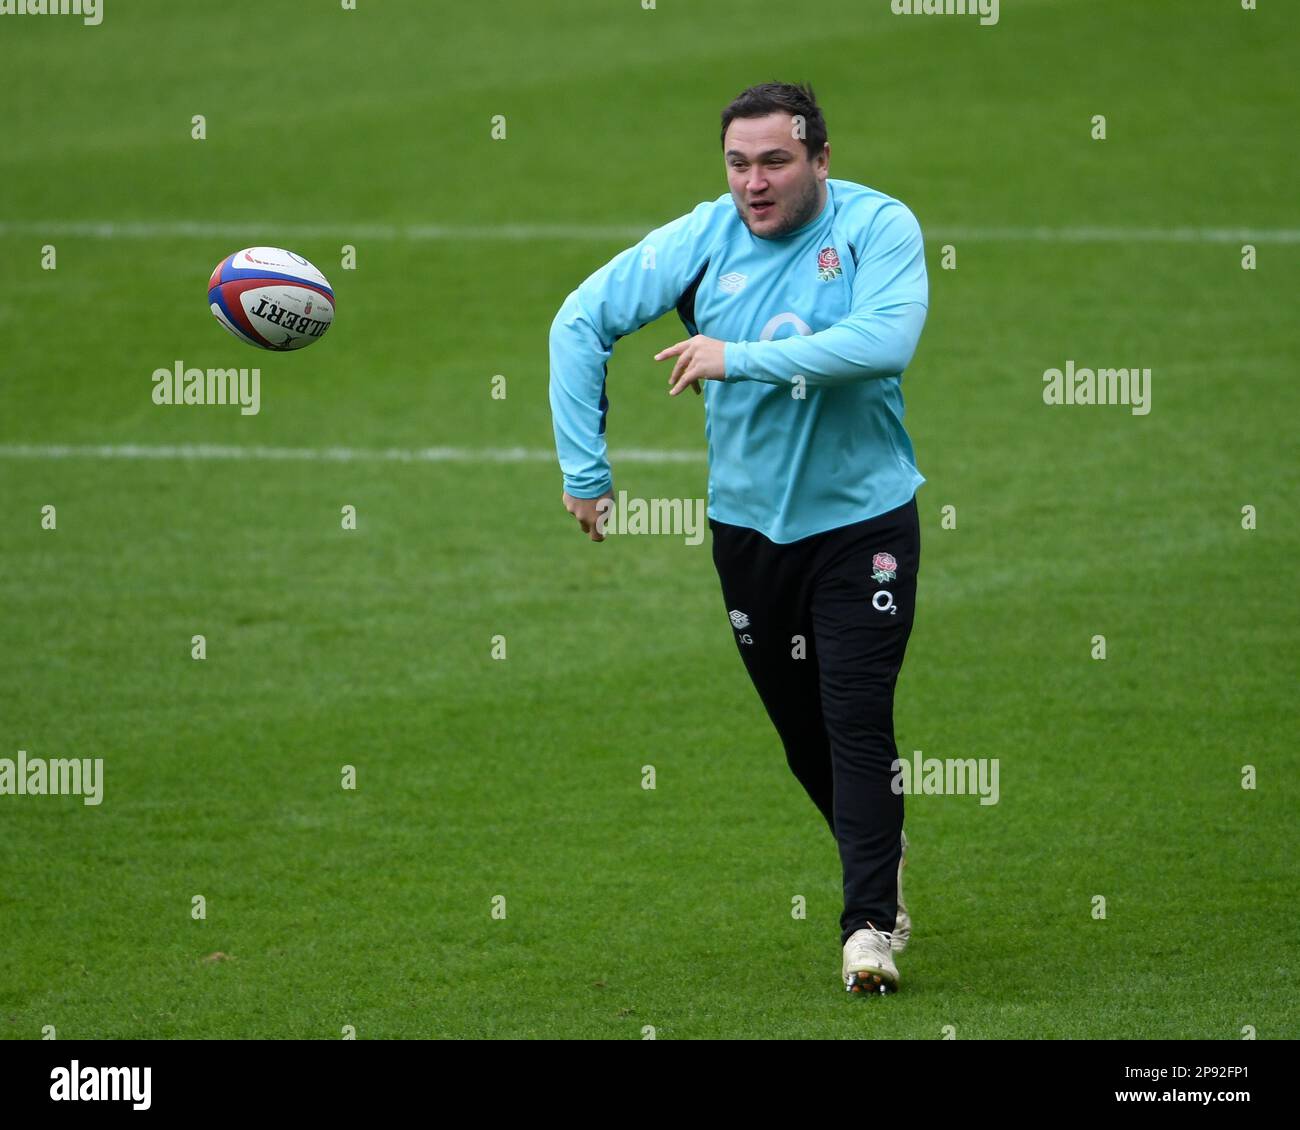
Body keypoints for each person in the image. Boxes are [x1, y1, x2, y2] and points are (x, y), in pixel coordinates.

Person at [548, 81, 928, 995]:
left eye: (775, 162)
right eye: (737, 163)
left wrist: (737, 358)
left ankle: (870, 927)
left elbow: (884, 342)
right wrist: (585, 472)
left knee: (855, 719)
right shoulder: (701, 239)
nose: (753, 183)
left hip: (864, 523)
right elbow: (578, 320)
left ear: (821, 161)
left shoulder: (877, 229)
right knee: (806, 740)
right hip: (750, 533)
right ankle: (881, 841)